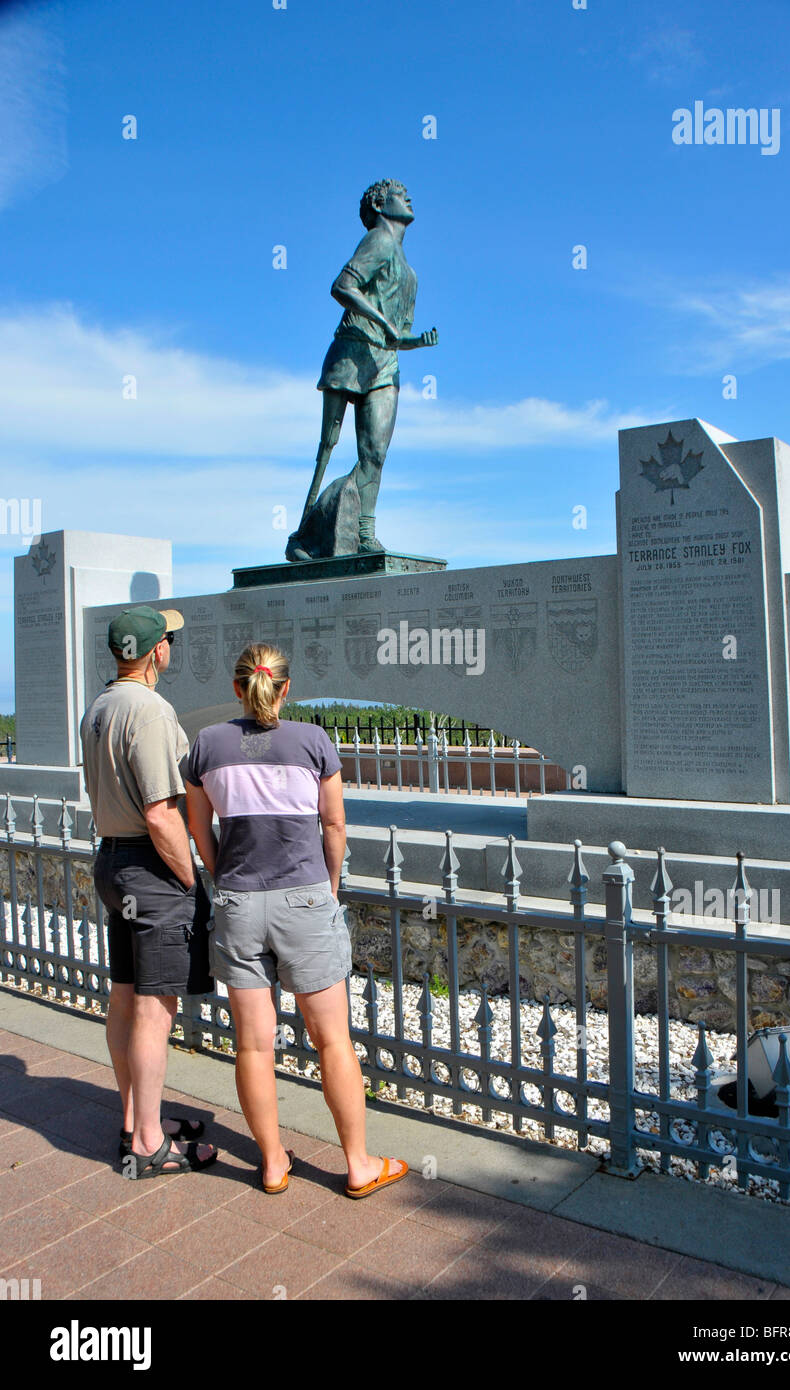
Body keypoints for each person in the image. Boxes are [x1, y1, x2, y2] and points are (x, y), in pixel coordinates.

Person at [184, 642, 408, 1198]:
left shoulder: (206, 746)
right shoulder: (312, 740)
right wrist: (327, 888)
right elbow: (334, 826)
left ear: (237, 688)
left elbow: (198, 828)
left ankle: (273, 1163)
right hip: (304, 899)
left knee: (253, 1045)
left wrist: (222, 877)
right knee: (333, 1039)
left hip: (238, 903)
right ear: (285, 689)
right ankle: (357, 1165)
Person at [80, 604, 217, 1178]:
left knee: (125, 997)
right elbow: (163, 814)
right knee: (153, 1010)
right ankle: (148, 1145)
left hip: (112, 860)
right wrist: (190, 878)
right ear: (156, 652)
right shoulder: (152, 711)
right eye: (170, 644)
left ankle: (136, 1118)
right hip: (150, 866)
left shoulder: (100, 706)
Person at [286, 177, 438, 560]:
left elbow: (396, 334)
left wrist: (415, 340)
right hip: (352, 352)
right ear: (380, 206)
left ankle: (365, 531)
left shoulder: (410, 272)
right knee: (327, 447)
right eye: (399, 195)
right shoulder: (379, 240)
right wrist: (382, 322)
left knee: (375, 452)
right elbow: (342, 287)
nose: (408, 197)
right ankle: (300, 538)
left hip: (385, 362)